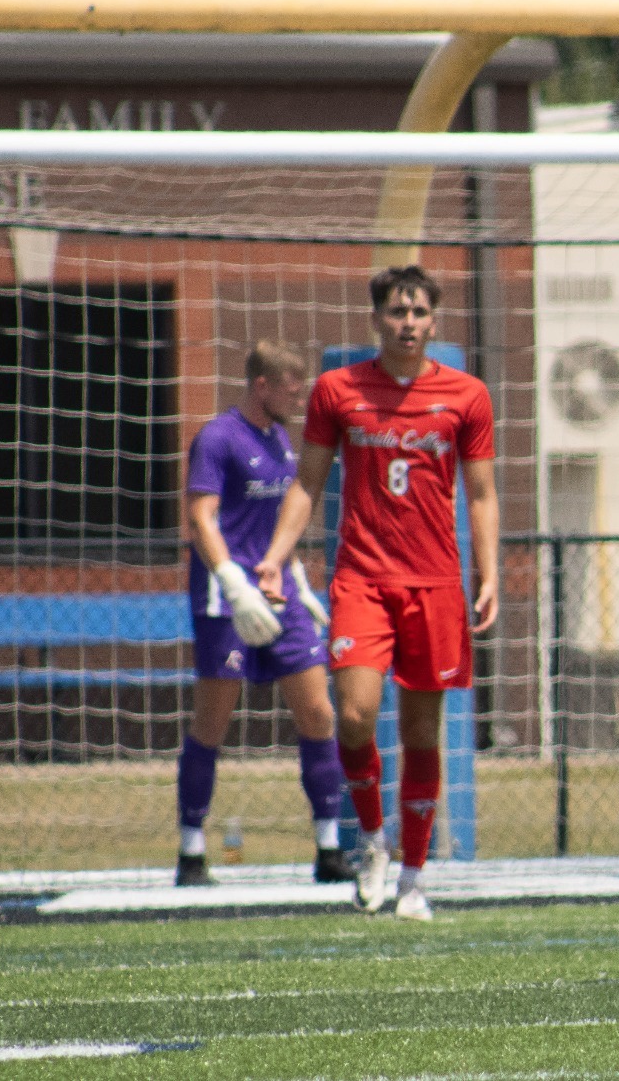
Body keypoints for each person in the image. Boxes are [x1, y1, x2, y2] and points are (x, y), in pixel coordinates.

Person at [256, 265, 499, 922]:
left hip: (436, 584)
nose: (409, 322)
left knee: (424, 733)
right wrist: (276, 558)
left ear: (434, 318)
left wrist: (490, 572)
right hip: (362, 579)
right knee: (356, 713)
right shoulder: (338, 389)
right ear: (377, 318)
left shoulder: (466, 395)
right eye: (397, 311)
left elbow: (479, 491)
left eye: (419, 311)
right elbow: (306, 484)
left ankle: (413, 878)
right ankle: (372, 839)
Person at [176, 341, 352, 889]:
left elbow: (280, 522)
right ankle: (190, 852)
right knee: (212, 724)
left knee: (319, 715)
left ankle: (328, 849)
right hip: (225, 601)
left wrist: (299, 582)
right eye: (291, 389)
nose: (298, 400)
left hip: (280, 594)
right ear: (262, 385)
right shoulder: (217, 438)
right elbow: (200, 517)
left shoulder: (280, 439)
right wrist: (232, 582)